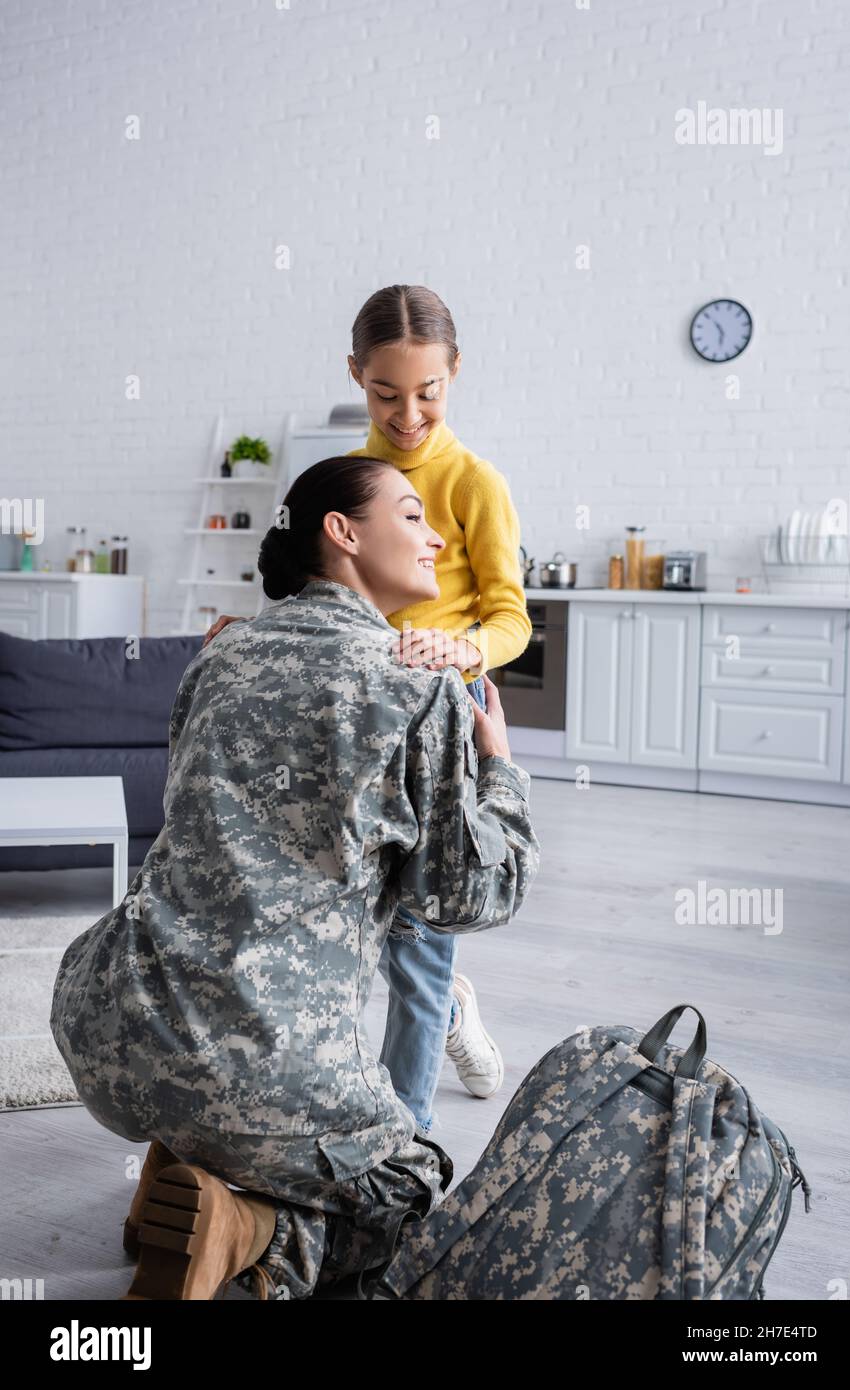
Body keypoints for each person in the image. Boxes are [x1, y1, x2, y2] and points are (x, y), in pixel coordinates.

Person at [50, 455, 541, 1300]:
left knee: (226, 1058)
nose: (435, 538)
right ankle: (244, 1230)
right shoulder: (418, 688)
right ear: (342, 532)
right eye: (413, 516)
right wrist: (499, 767)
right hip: (262, 1064)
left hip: (108, 1023)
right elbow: (467, 898)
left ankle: (186, 1154)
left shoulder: (219, 653)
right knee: (410, 1189)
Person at [207, 283, 533, 1137]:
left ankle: (403, 1142)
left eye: (428, 392)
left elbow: (511, 618)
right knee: (347, 910)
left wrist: (462, 649)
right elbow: (313, 587)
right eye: (387, 393)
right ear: (355, 375)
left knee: (418, 937)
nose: (409, 414)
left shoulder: (473, 483)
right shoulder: (347, 482)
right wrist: (256, 632)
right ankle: (440, 1013)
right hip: (349, 713)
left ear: (454, 373)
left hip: (438, 704)